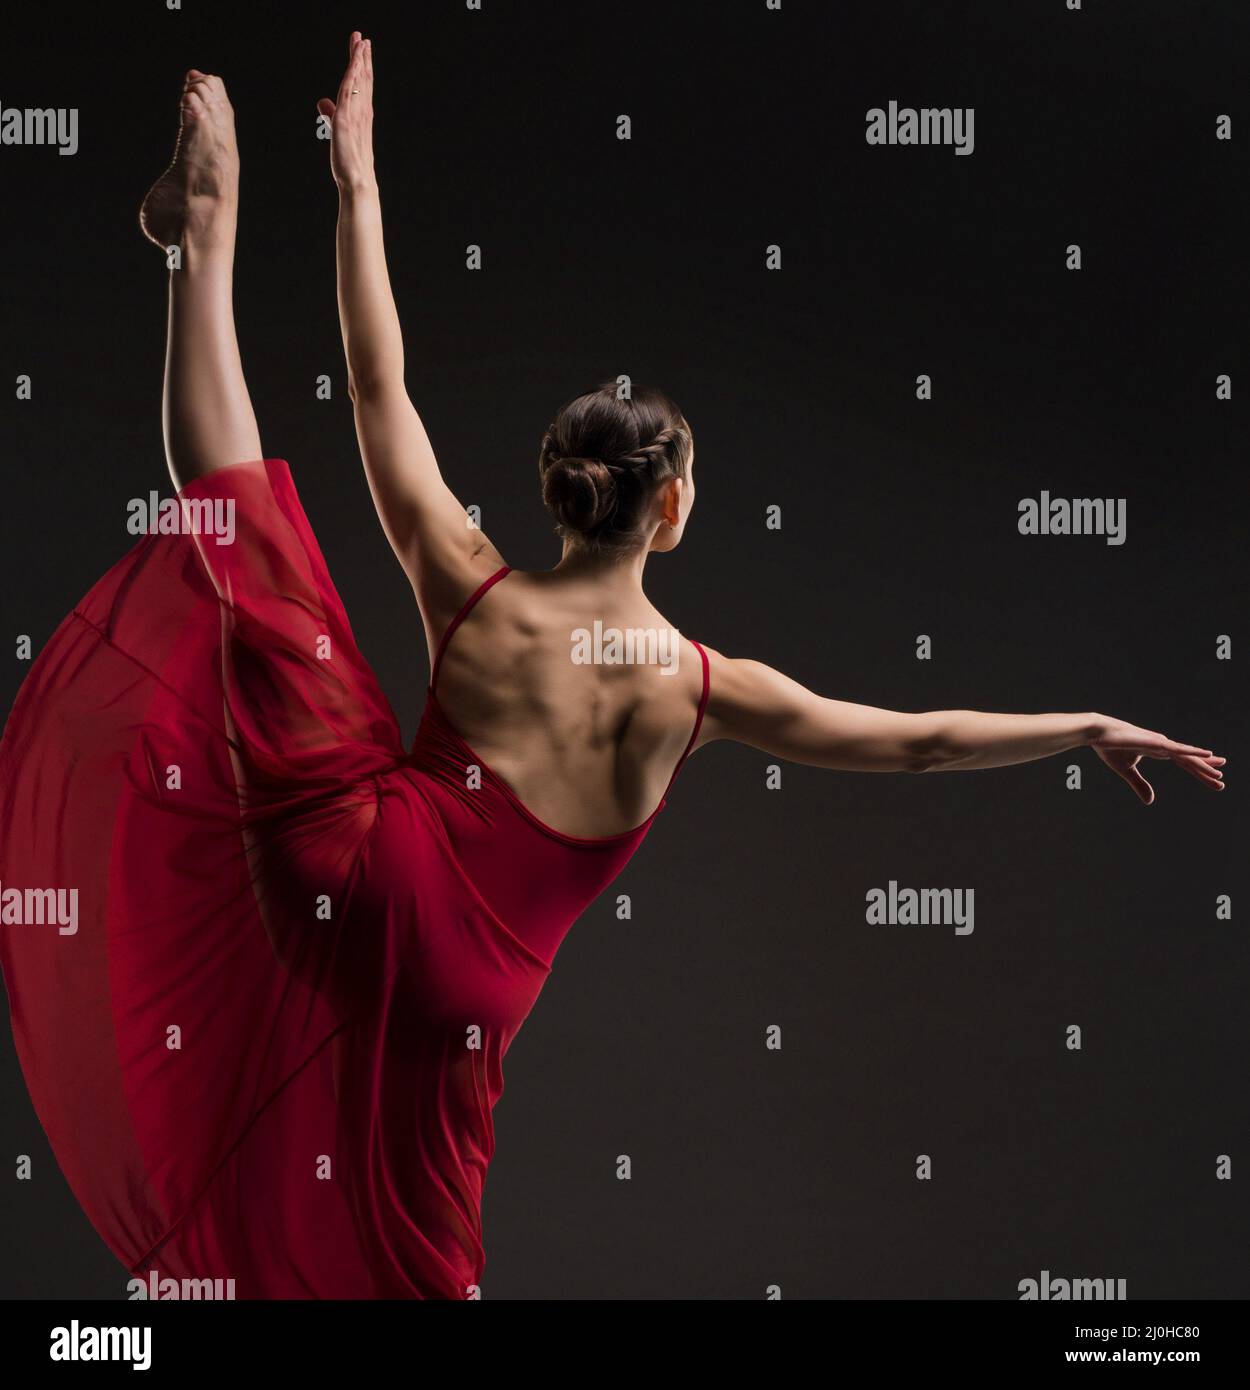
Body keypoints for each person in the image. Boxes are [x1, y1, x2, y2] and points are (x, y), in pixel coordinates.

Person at [0, 35, 1224, 1300]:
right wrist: (1083, 722)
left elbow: (378, 384)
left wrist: (356, 181)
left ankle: (204, 236)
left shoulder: (474, 588)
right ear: (675, 508)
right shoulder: (701, 689)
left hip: (342, 858)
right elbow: (915, 738)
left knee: (246, 548)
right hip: (458, 994)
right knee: (417, 1250)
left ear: (558, 495)